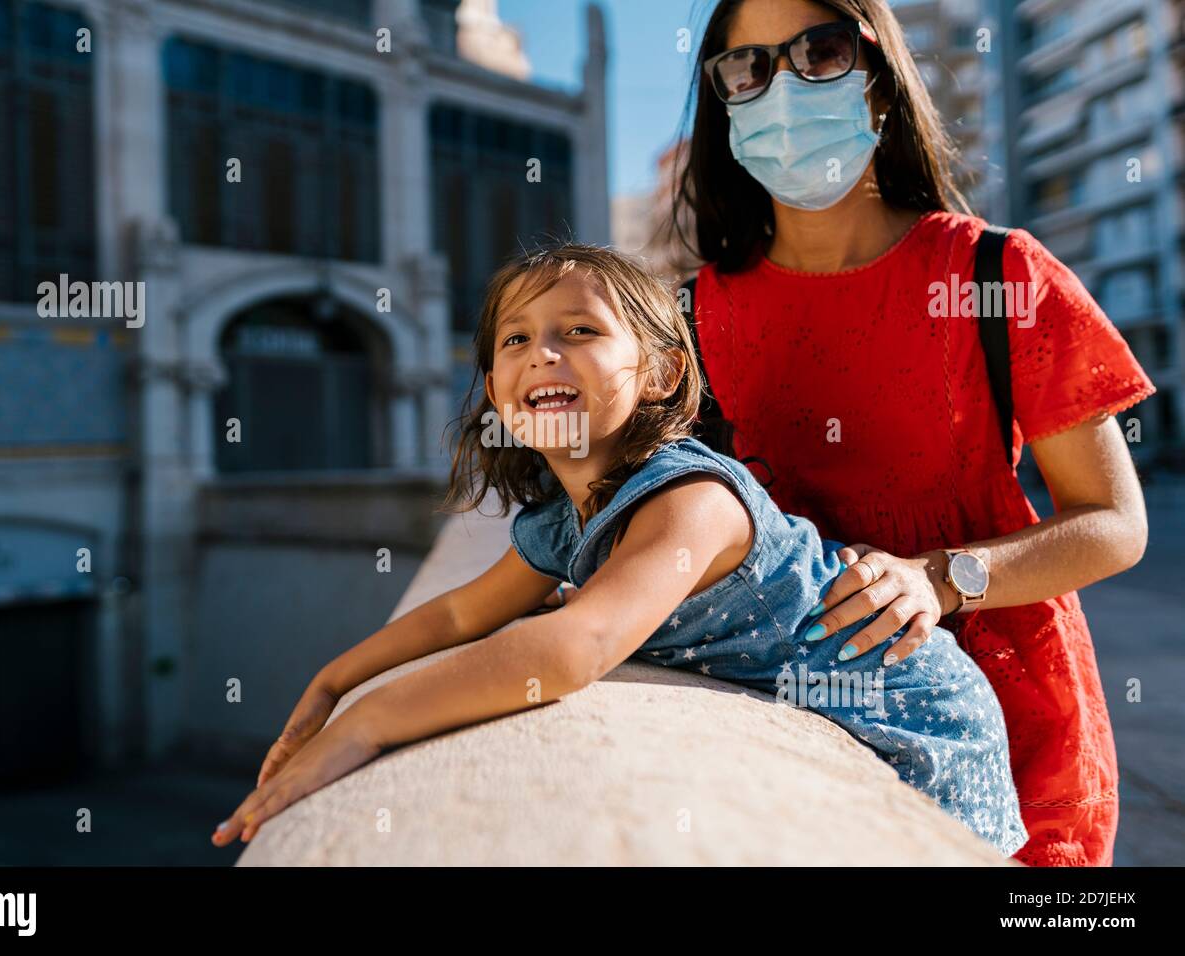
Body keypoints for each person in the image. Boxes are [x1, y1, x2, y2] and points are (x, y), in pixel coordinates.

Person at [211, 243, 1028, 858]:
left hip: (915, 720)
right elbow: (465, 610)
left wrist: (375, 722)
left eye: (579, 331)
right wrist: (336, 681)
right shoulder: (562, 521)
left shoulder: (691, 500)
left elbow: (573, 649)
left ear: (663, 375)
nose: (541, 353)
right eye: (515, 339)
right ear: (497, 389)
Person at [670, 0, 1154, 865]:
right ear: (725, 104)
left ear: (883, 87)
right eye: (748, 69)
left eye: (819, 52)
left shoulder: (997, 274)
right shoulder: (690, 318)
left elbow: (1116, 523)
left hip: (1019, 729)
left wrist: (944, 578)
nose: (782, 88)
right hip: (786, 717)